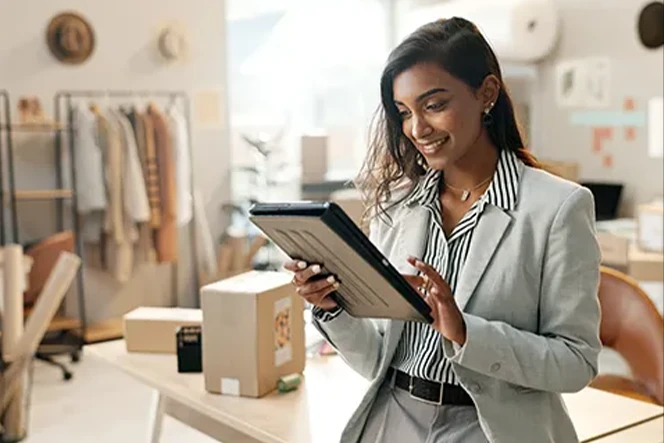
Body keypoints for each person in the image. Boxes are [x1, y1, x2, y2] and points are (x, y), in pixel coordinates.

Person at [284, 17, 601, 443]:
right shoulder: (396, 205)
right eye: (404, 113)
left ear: (486, 94)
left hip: (491, 430)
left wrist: (466, 331)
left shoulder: (558, 208)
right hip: (393, 421)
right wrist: (332, 307)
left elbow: (576, 362)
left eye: (433, 105)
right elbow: (377, 358)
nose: (417, 129)